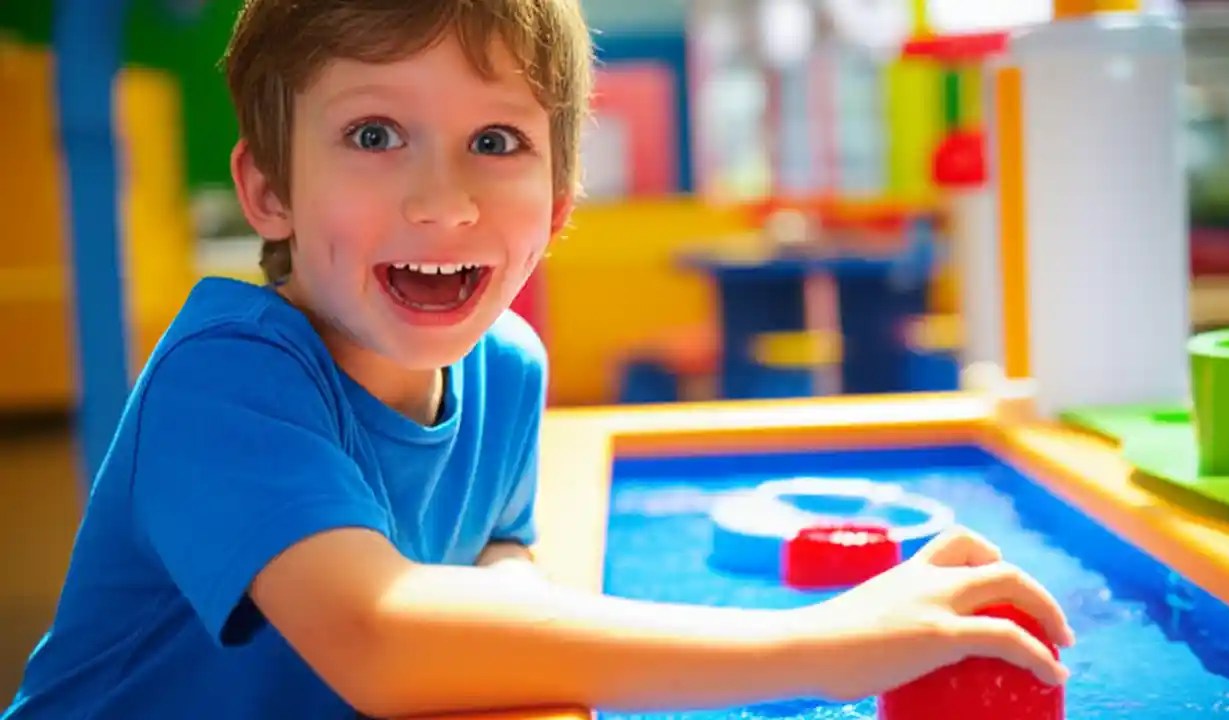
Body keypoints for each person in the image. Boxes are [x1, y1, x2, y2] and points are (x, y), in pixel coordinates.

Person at [3, 1, 1074, 718]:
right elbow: (379, 639)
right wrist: (831, 640)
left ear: (559, 203)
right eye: (374, 135)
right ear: (269, 189)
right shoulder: (224, 380)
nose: (441, 199)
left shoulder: (506, 368)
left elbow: (496, 573)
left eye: (496, 140)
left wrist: (539, 626)